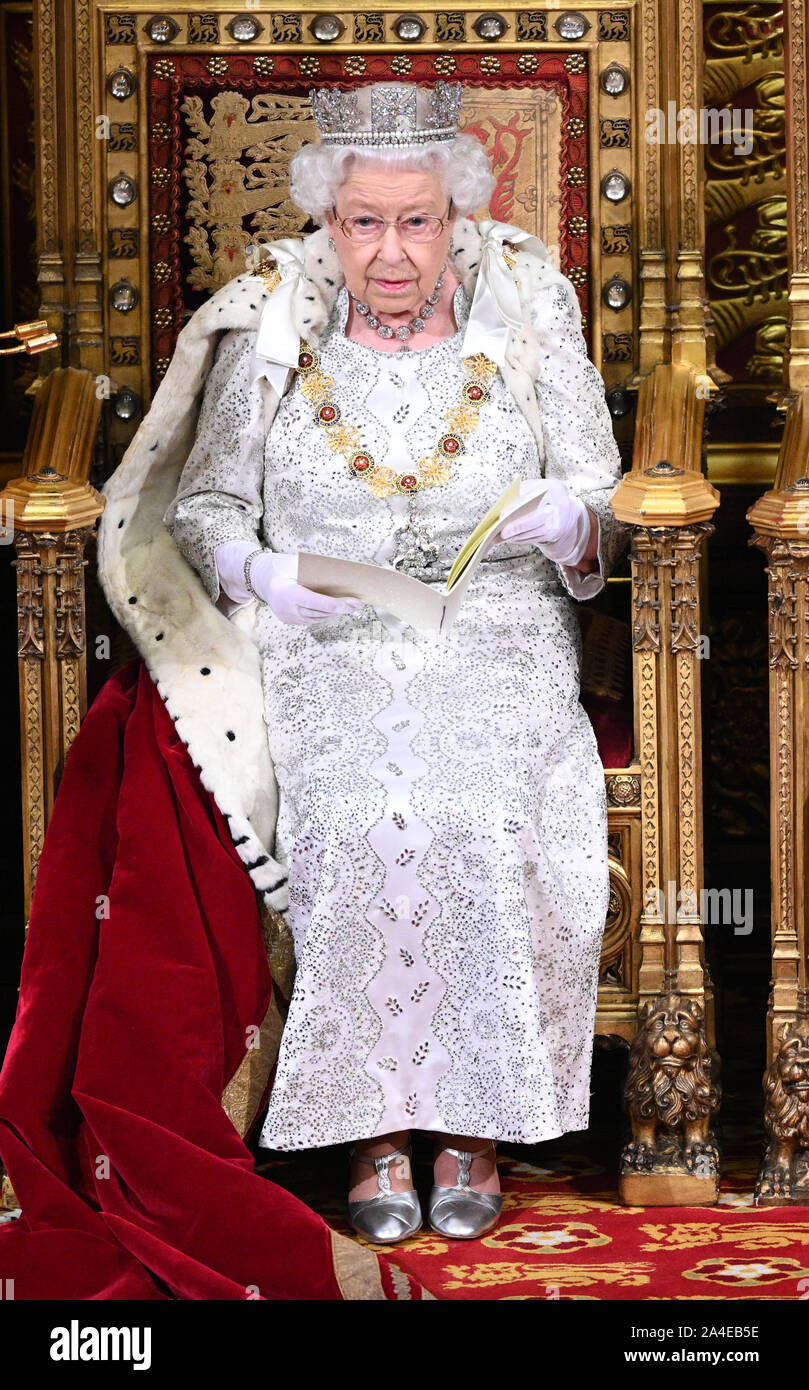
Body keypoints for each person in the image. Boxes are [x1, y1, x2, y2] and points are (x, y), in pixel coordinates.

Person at [105, 79, 628, 1245]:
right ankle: (374, 1133)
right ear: (325, 224)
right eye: (362, 222)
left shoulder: (530, 315)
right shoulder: (271, 324)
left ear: (457, 219)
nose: (389, 251)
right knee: (351, 807)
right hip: (322, 633)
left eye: (416, 220)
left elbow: (609, 493)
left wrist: (572, 526)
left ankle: (474, 1127)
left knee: (477, 802)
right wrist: (257, 576)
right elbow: (205, 503)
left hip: (495, 630)